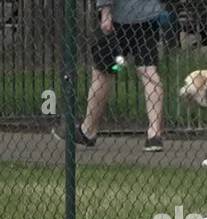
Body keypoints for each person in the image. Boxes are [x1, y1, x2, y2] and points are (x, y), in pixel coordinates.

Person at [55, 0, 166, 151]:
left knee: (102, 73)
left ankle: (88, 131)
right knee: (148, 71)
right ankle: (154, 134)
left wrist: (105, 12)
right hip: (147, 15)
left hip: (118, 17)